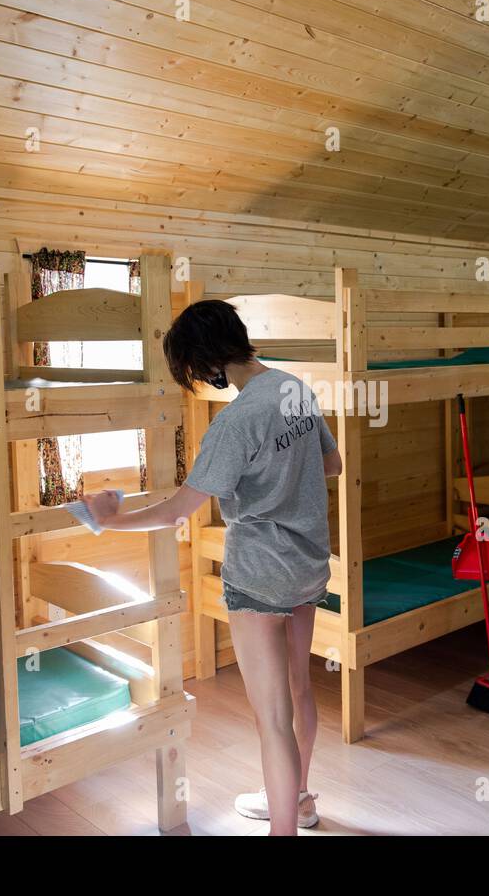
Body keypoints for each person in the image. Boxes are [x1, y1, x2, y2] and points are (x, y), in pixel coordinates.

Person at [80, 299, 342, 836]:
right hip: (308, 565)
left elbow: (178, 511)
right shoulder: (294, 387)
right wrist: (285, 476)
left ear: (204, 361)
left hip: (260, 573)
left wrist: (111, 519)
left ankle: (283, 829)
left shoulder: (235, 423)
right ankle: (299, 801)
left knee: (272, 722)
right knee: (299, 690)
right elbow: (332, 464)